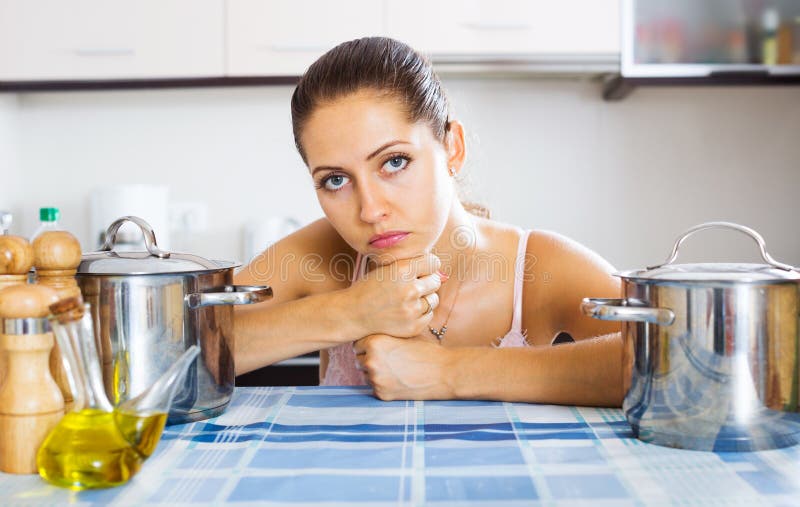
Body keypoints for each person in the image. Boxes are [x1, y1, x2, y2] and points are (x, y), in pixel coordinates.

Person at [234, 36, 626, 406]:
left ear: (452, 148)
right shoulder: (321, 254)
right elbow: (180, 351)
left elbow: (677, 351)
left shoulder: (536, 266)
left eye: (394, 162)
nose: (370, 211)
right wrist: (350, 312)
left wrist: (446, 372)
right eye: (335, 180)